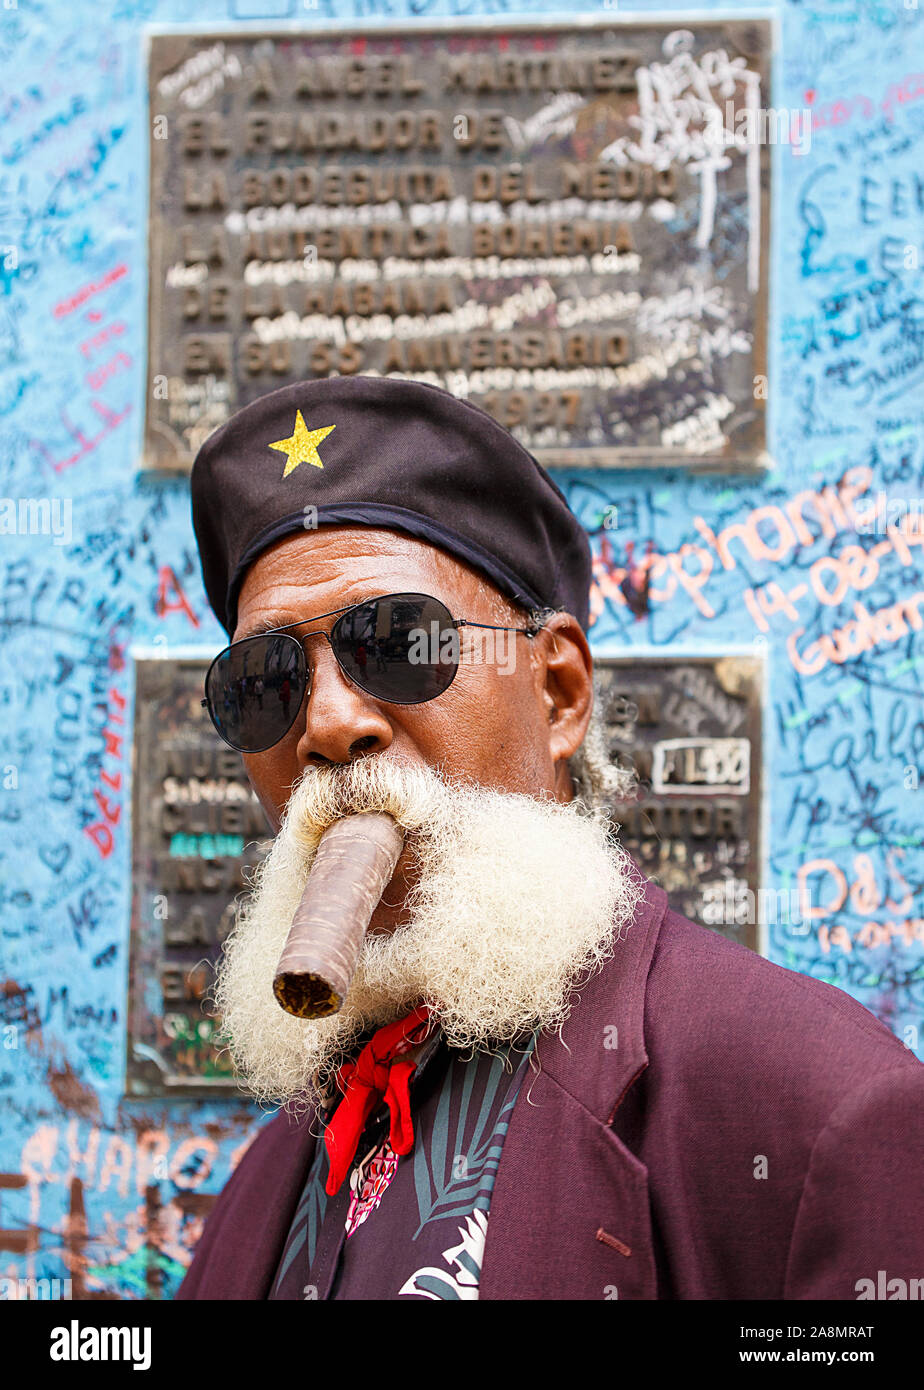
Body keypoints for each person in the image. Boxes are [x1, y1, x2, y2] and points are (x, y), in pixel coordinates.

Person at [178, 375, 924, 1301]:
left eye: (399, 642)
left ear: (559, 692)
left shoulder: (814, 1108)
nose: (328, 723)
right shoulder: (273, 1173)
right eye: (266, 676)